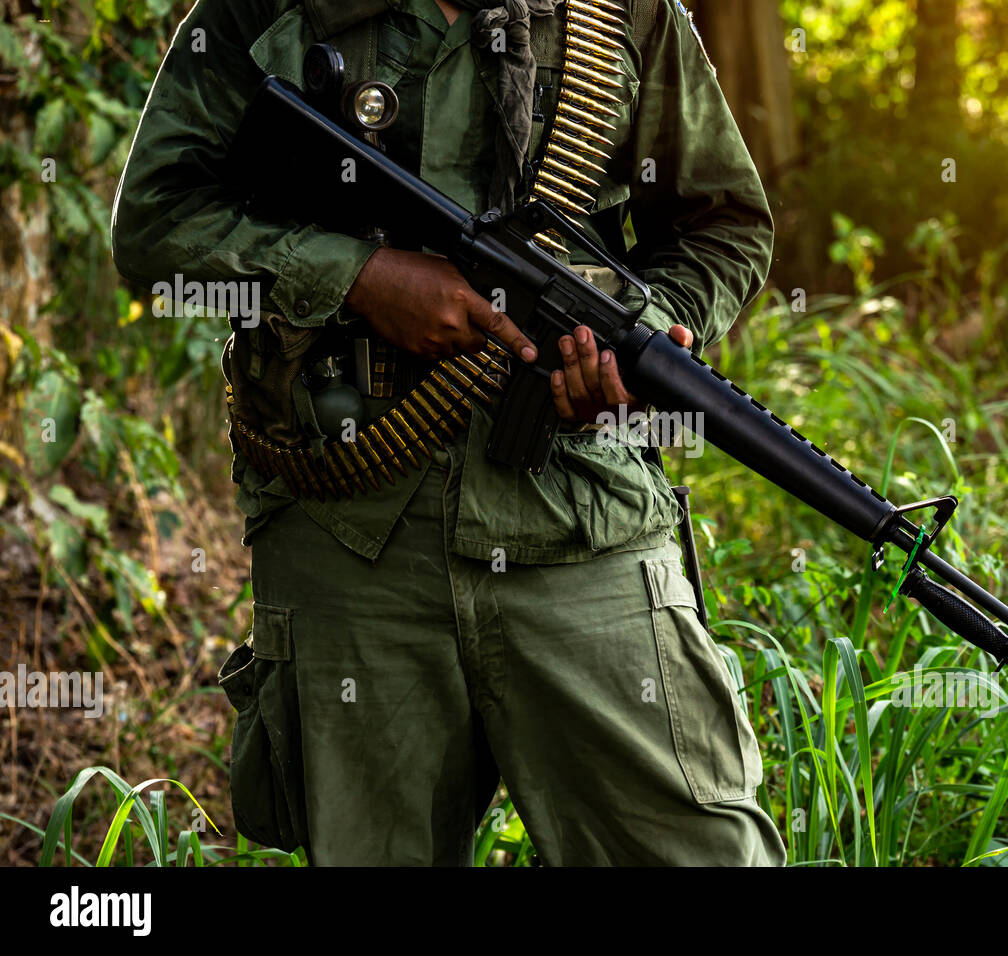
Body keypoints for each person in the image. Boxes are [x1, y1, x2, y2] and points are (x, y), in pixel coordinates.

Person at [112, 0, 786, 866]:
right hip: (348, 522)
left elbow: (722, 224)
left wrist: (640, 337)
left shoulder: (623, 14)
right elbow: (157, 222)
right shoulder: (269, 6)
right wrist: (358, 276)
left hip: (580, 512)